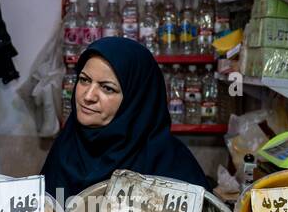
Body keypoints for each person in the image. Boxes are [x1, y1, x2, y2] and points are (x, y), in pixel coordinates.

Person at [40, 36, 208, 200]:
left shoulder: (168, 163)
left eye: (107, 88)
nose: (88, 96)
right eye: (84, 80)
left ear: (136, 100)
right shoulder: (66, 147)